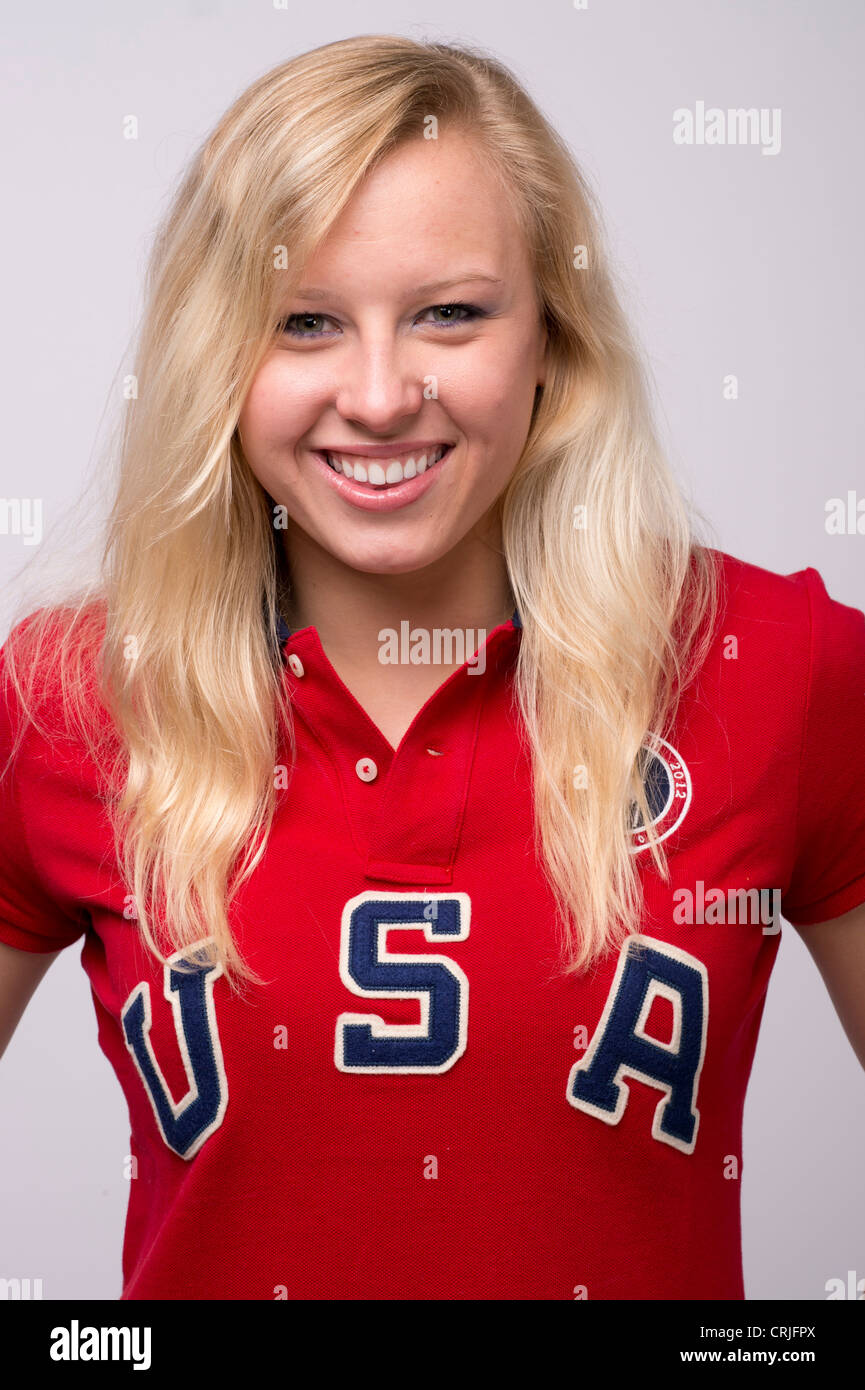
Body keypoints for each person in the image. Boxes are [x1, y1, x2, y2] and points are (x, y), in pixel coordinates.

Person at [1, 34, 863, 1302]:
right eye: (301, 323)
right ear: (215, 363)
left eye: (449, 313)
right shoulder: (64, 701)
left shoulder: (778, 669)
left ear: (550, 342)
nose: (381, 392)